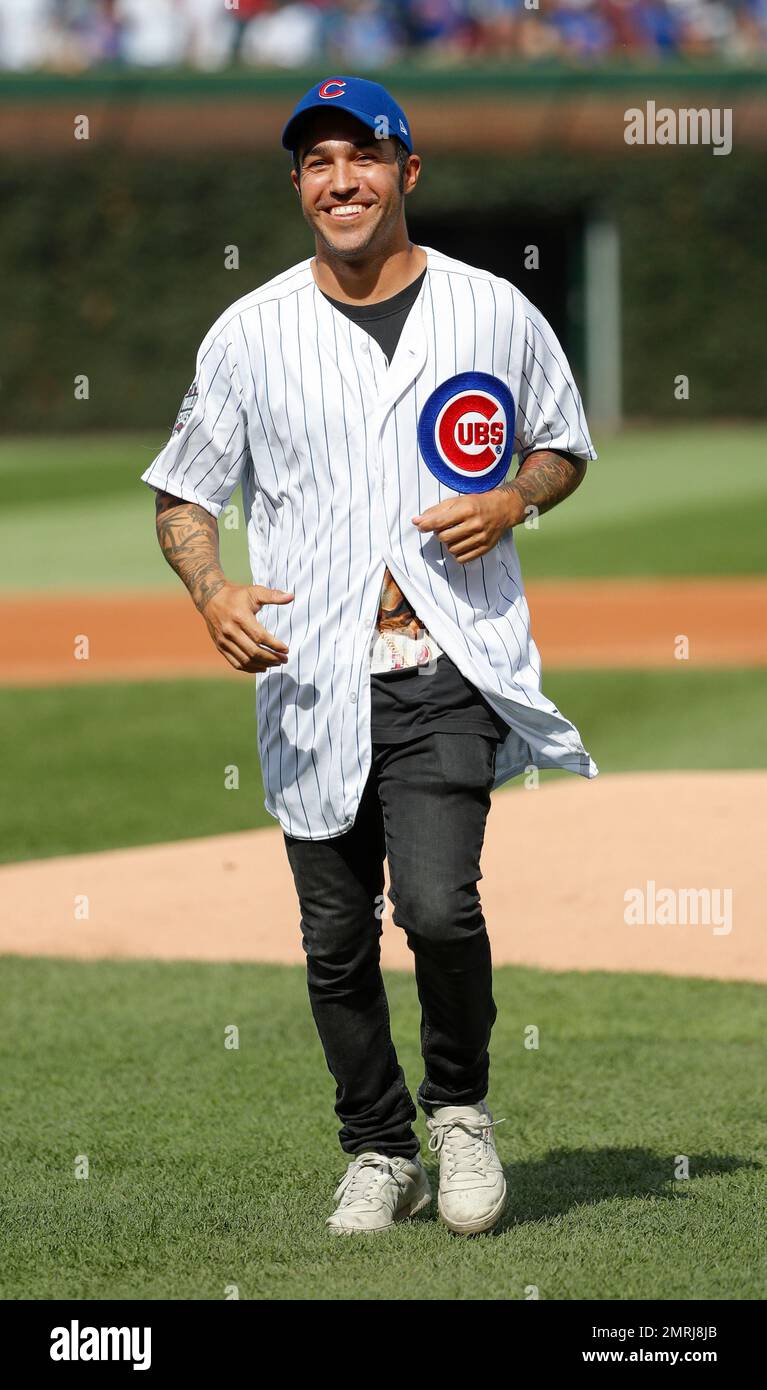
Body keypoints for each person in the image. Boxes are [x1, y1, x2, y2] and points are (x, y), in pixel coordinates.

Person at [141, 75, 597, 1237]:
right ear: (297, 186)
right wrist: (209, 590)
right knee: (334, 938)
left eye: (361, 156)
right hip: (307, 672)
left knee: (438, 909)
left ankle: (458, 1114)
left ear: (408, 172)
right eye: (315, 163)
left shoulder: (492, 309)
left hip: (445, 659)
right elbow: (184, 496)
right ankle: (376, 1146)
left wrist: (508, 502)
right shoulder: (250, 332)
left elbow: (561, 444)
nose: (339, 180)